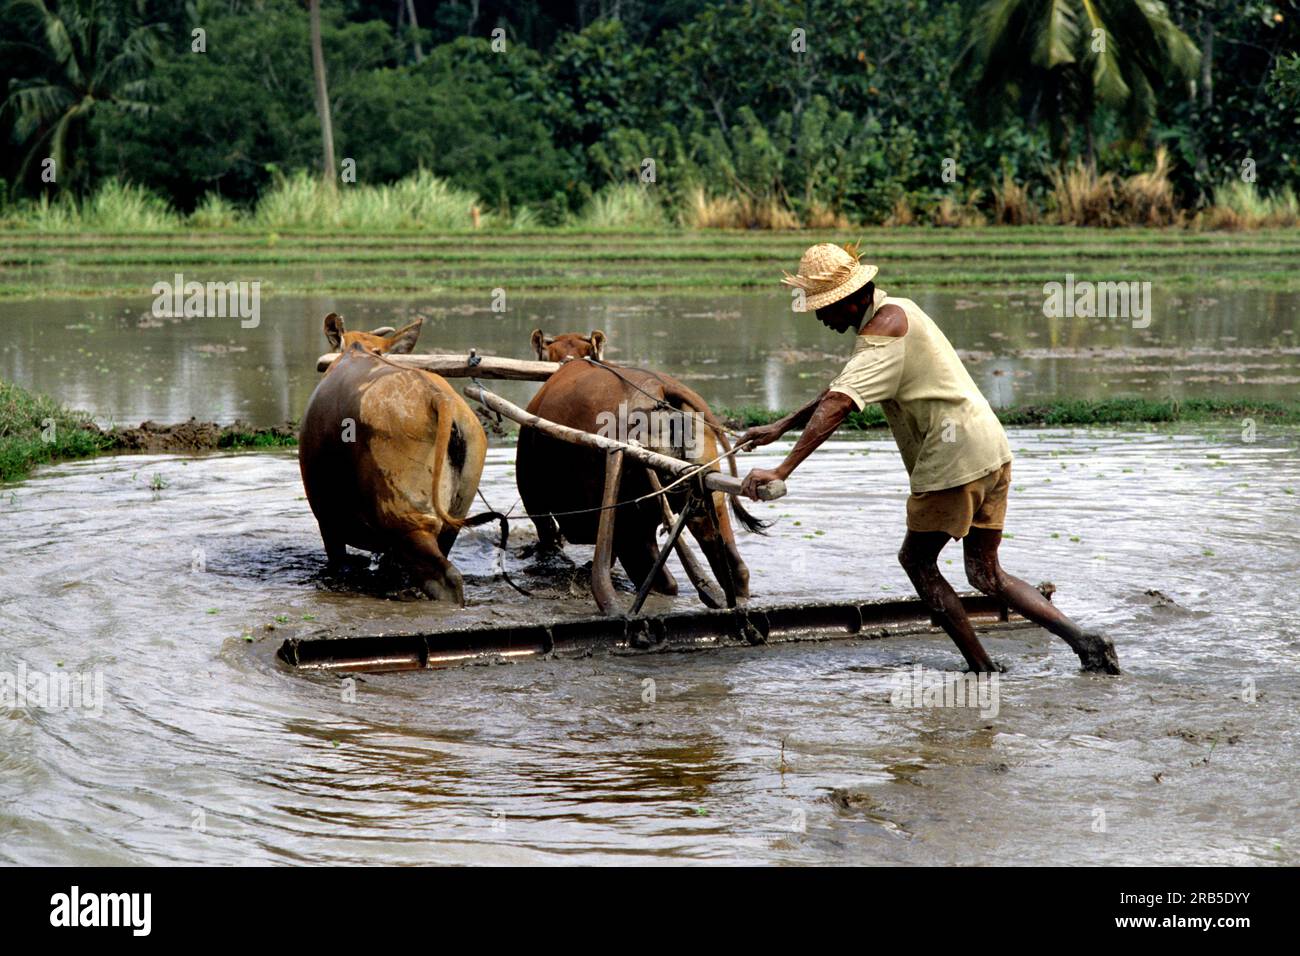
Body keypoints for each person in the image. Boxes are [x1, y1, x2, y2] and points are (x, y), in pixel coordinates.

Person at [738, 242, 1120, 675]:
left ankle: (981, 668)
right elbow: (840, 388)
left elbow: (840, 404)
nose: (822, 317)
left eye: (826, 307)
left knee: (916, 561)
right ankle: (1084, 641)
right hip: (991, 451)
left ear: (854, 298)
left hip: (954, 460)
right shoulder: (899, 310)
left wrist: (783, 469)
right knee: (986, 574)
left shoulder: (881, 338)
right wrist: (781, 426)